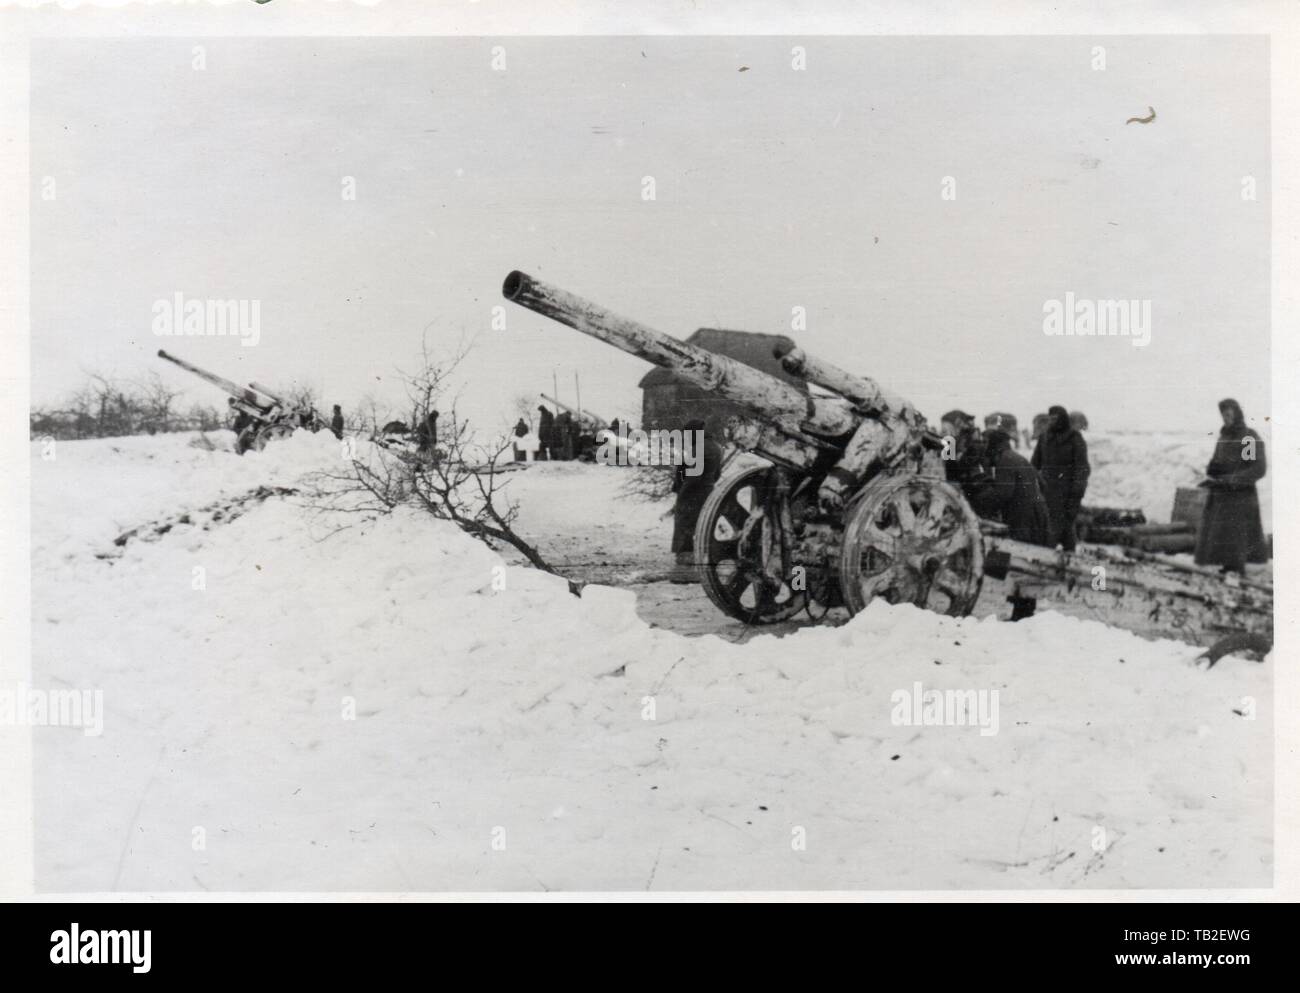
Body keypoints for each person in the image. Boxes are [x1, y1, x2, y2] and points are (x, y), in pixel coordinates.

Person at [966, 429, 1051, 621]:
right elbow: (1042, 484)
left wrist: (977, 501)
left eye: (986, 442)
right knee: (1024, 562)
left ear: (993, 445)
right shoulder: (1015, 457)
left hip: (1025, 518)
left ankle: (1022, 615)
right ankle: (1022, 612)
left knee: (1020, 563)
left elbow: (1003, 494)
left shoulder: (1005, 461)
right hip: (1034, 515)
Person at [1194, 398, 1268, 573]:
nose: (1225, 418)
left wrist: (1232, 479)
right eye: (1223, 415)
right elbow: (1218, 462)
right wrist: (1212, 470)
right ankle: (1228, 567)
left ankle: (1236, 570)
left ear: (1237, 414)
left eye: (1228, 414)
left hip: (1240, 496)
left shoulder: (1247, 438)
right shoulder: (1224, 437)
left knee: (1237, 534)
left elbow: (1255, 468)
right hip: (1222, 494)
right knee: (1222, 533)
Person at [1031, 404, 1090, 550]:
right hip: (1047, 494)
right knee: (1054, 531)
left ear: (1063, 419)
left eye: (1055, 419)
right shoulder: (1044, 438)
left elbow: (1082, 470)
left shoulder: (1075, 438)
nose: (1052, 422)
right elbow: (1034, 464)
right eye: (1050, 419)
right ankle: (1055, 563)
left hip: (1067, 495)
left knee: (1062, 531)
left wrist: (1076, 496)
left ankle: (1064, 564)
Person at [670, 419, 723, 579]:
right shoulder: (715, 447)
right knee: (701, 528)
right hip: (706, 492)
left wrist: (682, 493)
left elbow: (692, 476)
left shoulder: (698, 448)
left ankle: (686, 570)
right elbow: (717, 473)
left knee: (686, 526)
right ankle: (699, 565)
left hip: (692, 494)